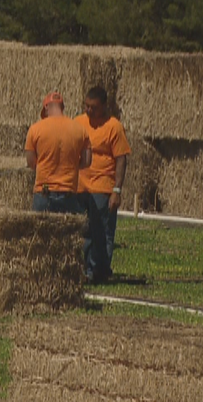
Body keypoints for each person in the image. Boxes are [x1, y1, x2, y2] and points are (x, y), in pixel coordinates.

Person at [75, 86, 131, 284]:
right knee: (84, 231)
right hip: (81, 186)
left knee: (103, 232)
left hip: (103, 188)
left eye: (94, 107)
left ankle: (101, 270)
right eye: (87, 106)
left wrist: (117, 190)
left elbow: (122, 159)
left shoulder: (114, 127)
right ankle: (85, 269)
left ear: (105, 106)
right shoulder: (79, 122)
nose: (89, 111)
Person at [25, 92, 91, 217]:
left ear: (46, 107)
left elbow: (31, 163)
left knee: (40, 235)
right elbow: (87, 161)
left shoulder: (35, 129)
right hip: (69, 194)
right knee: (68, 235)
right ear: (62, 107)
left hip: (43, 194)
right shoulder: (80, 130)